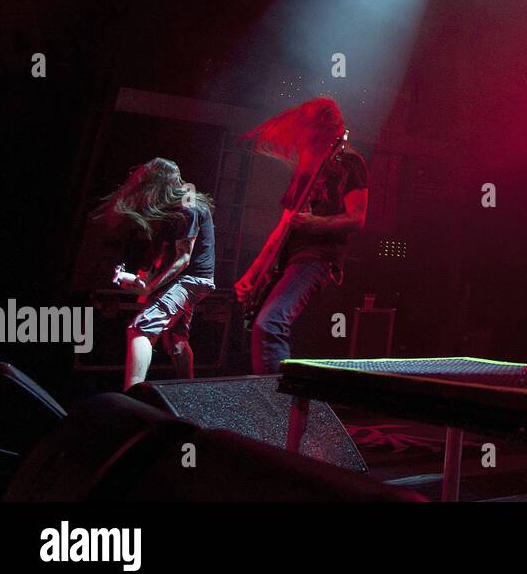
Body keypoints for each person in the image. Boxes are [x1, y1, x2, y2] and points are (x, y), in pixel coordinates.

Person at [234, 97, 368, 374]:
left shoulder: (350, 163)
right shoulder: (306, 170)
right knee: (262, 327)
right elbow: (283, 227)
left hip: (318, 258)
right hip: (290, 260)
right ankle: (280, 402)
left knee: (269, 325)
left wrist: (313, 222)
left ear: (323, 126)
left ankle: (279, 408)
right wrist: (253, 273)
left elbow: (357, 218)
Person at [93, 158, 215, 390]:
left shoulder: (189, 204)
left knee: (140, 328)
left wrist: (149, 287)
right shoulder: (174, 208)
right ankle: (189, 394)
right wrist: (136, 280)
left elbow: (183, 259)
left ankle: (133, 396)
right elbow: (158, 253)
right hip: (184, 280)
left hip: (191, 280)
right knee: (175, 341)